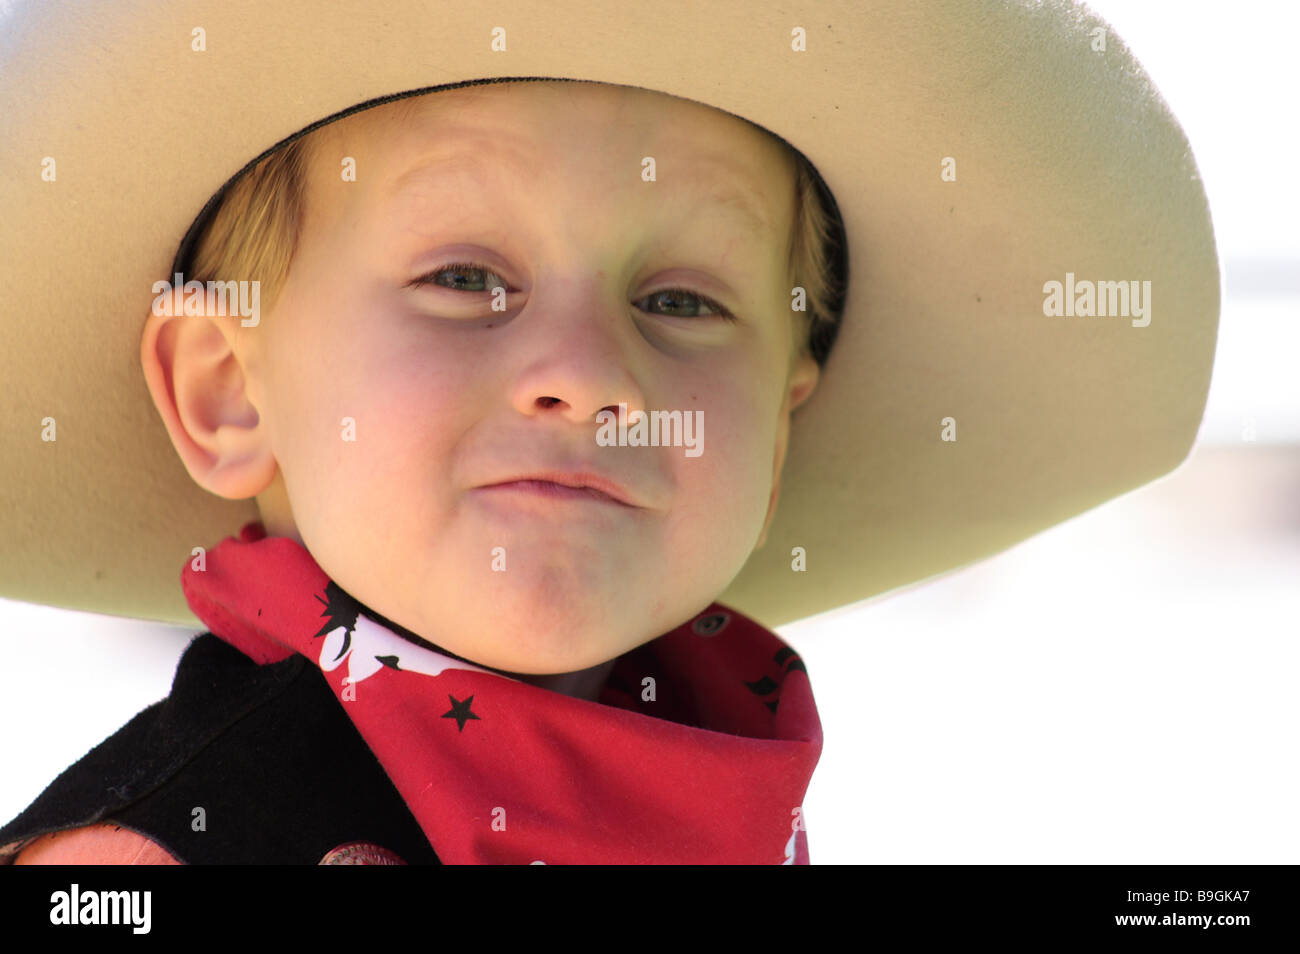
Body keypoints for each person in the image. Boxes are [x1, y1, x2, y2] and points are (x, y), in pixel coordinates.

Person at [0, 0, 1219, 864]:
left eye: (682, 303)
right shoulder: (145, 856)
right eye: (466, 279)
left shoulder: (720, 789)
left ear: (776, 437)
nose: (589, 377)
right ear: (228, 391)